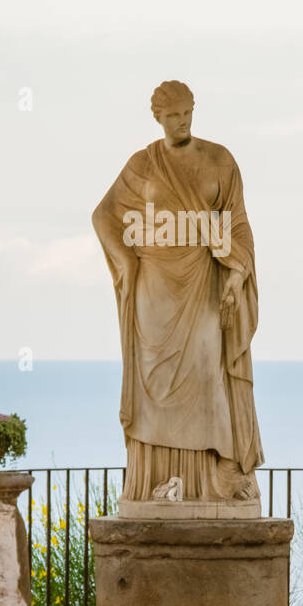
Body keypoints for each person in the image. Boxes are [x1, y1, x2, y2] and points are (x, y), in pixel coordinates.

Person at [92, 80, 264, 502]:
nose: (182, 121)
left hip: (203, 281)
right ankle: (155, 481)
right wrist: (127, 262)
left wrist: (236, 276)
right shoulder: (143, 164)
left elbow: (237, 224)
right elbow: (104, 216)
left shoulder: (219, 160)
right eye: (173, 116)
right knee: (156, 380)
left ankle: (219, 476)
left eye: (187, 112)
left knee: (209, 370)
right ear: (158, 118)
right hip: (154, 287)